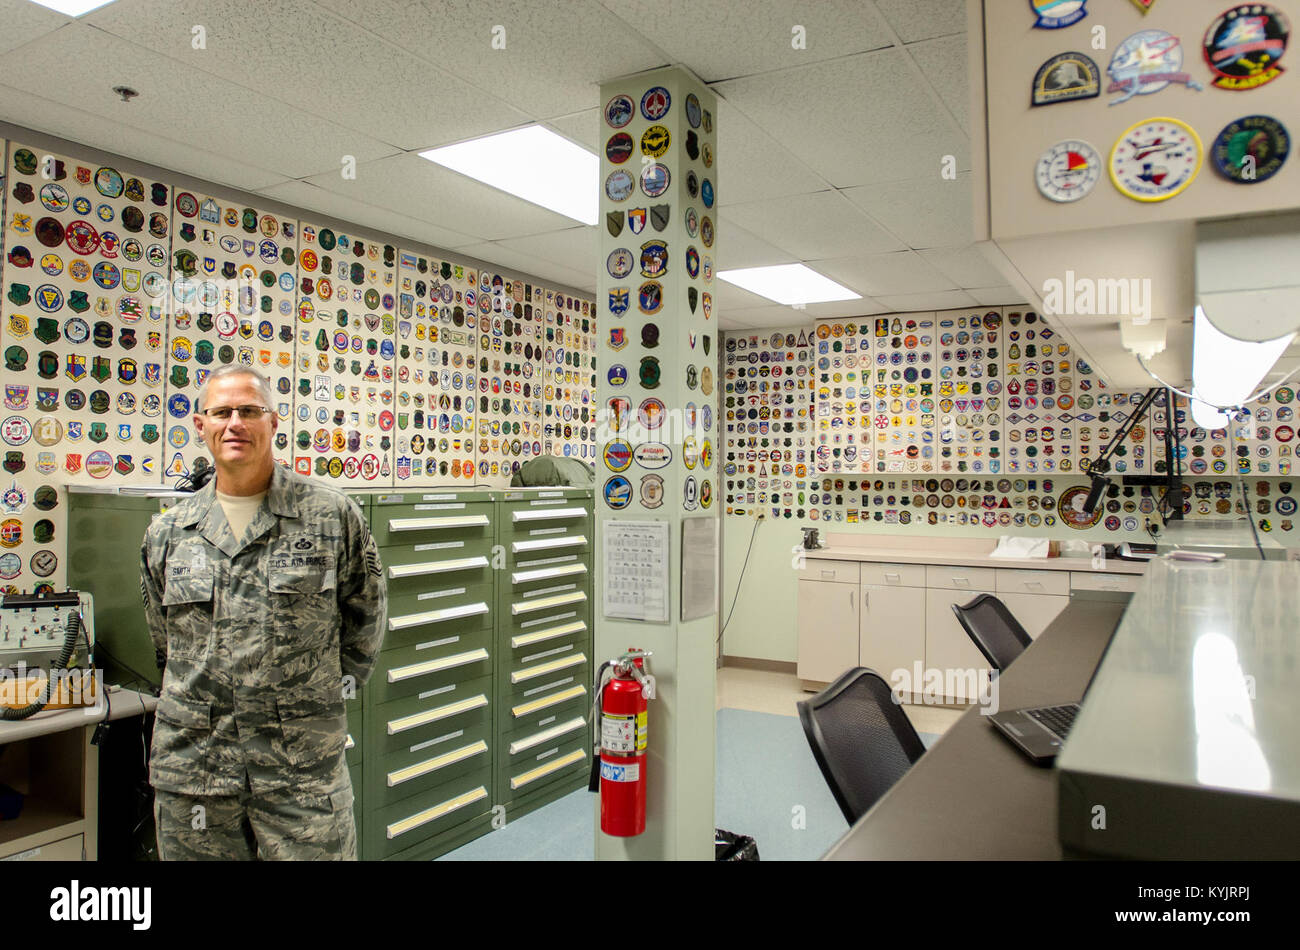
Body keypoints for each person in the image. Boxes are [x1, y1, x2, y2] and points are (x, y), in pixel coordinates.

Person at [140, 365, 386, 860]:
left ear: (273, 423)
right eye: (222, 412)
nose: (235, 423)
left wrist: (315, 703)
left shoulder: (331, 515)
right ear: (201, 425)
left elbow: (366, 621)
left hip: (302, 771)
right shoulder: (168, 533)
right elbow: (166, 646)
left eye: (249, 411)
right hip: (197, 768)